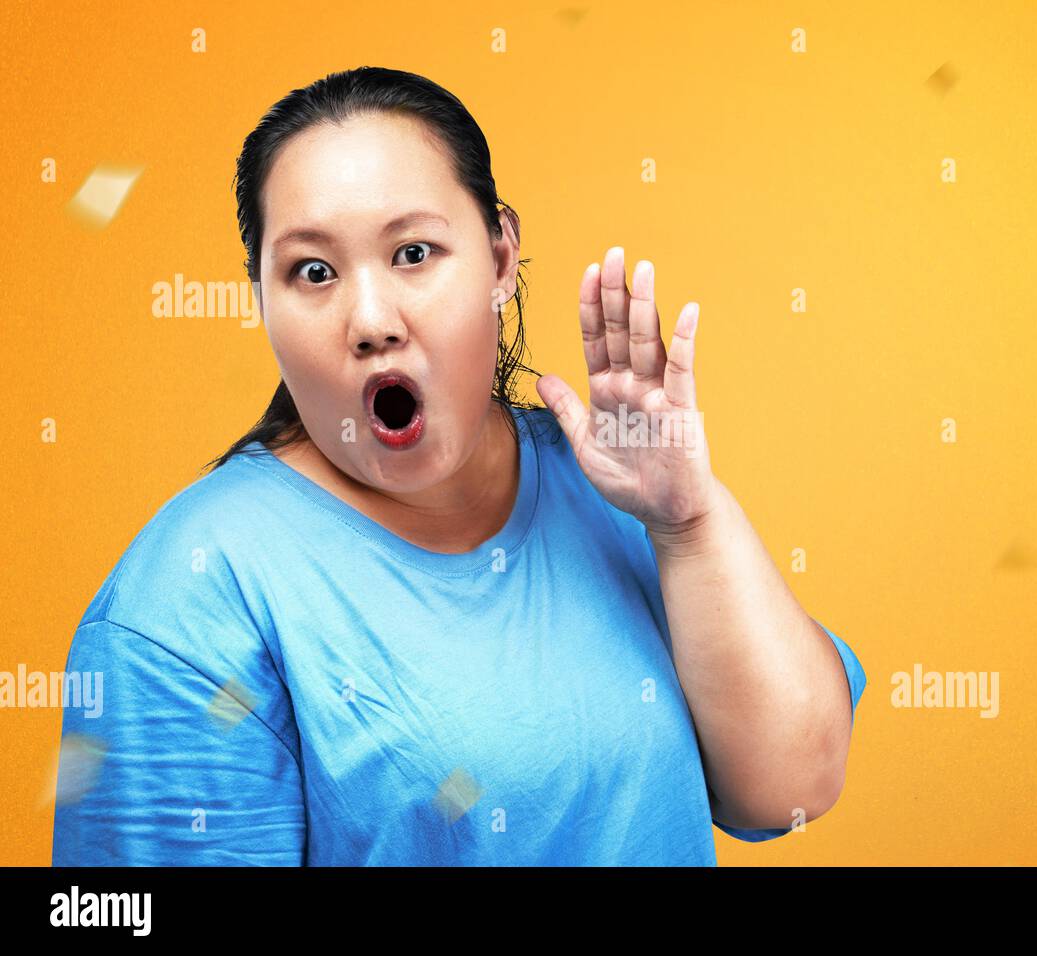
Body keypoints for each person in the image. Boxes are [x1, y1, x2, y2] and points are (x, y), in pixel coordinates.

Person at [51, 66, 867, 866]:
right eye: (312, 272)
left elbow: (792, 785)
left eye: (413, 252)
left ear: (501, 257)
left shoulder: (617, 481)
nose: (371, 321)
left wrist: (688, 524)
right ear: (261, 301)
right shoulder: (188, 599)